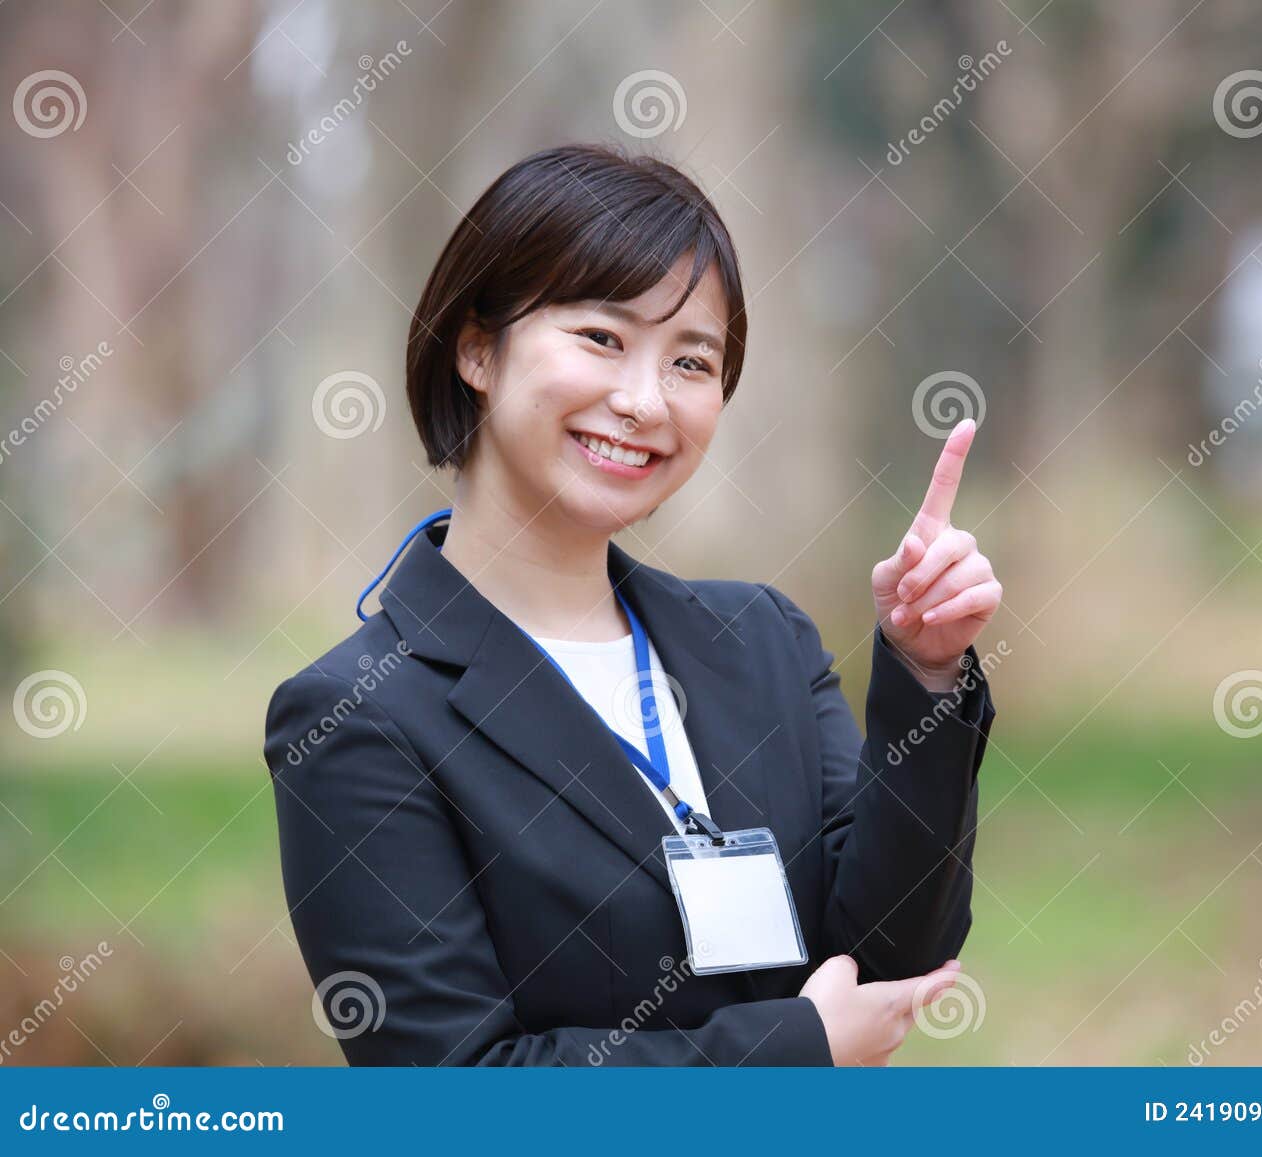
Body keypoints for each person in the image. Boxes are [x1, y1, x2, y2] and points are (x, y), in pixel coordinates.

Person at [263, 143, 1000, 1066]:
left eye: (692, 362)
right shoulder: (357, 716)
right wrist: (791, 1049)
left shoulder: (759, 638)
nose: (645, 401)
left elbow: (892, 952)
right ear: (477, 348)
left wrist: (926, 673)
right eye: (602, 339)